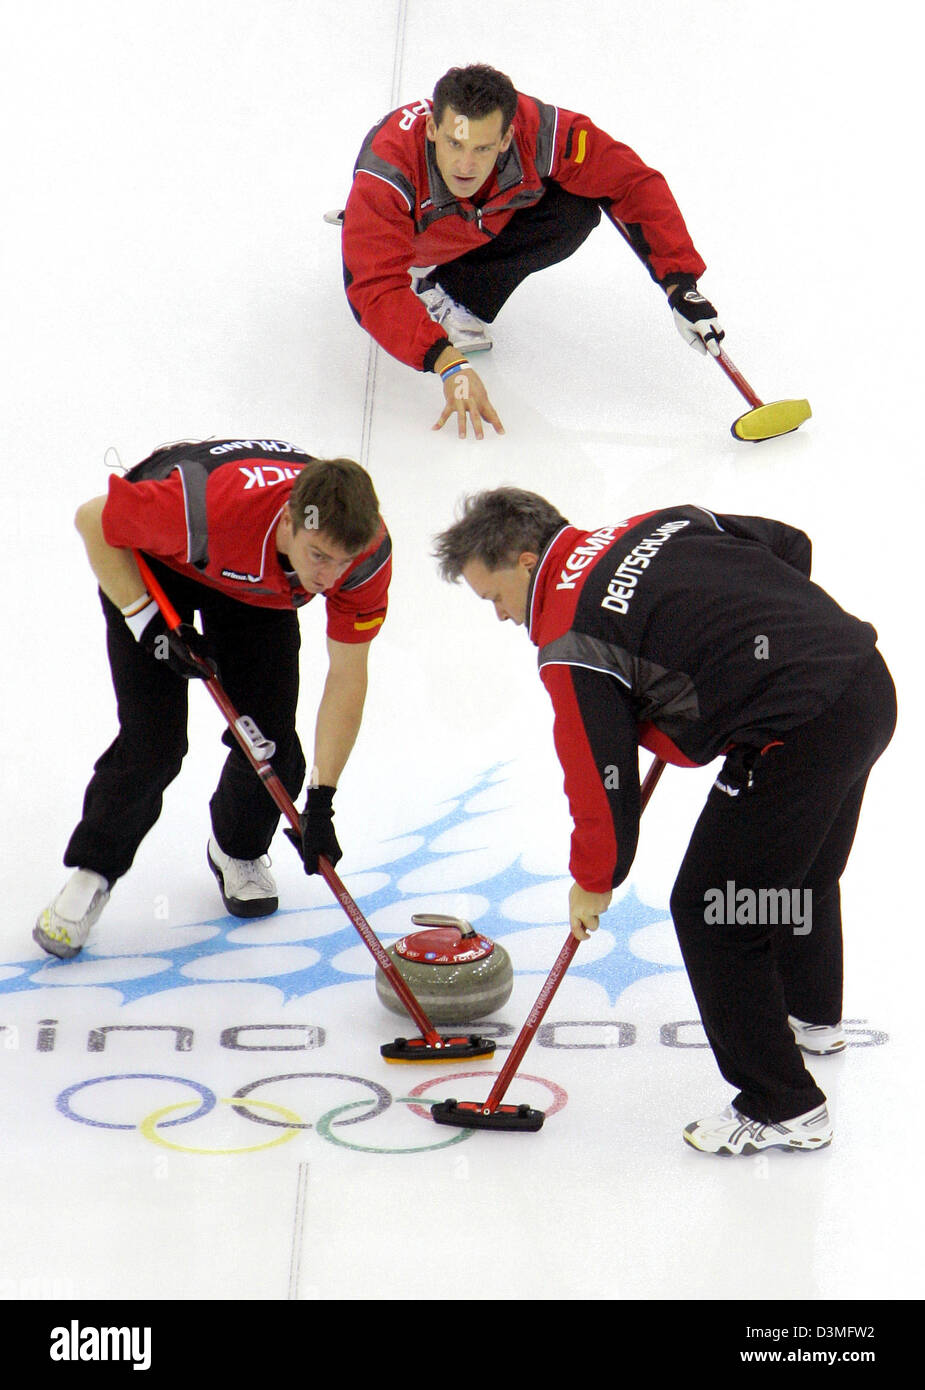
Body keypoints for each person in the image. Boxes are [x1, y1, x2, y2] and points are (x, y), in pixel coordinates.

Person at [433, 489, 896, 1155]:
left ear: (527, 562)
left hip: (796, 731)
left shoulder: (571, 635)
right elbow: (787, 545)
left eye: (494, 597)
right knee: (800, 866)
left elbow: (600, 775)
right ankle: (811, 1017)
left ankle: (781, 1105)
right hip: (863, 685)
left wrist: (594, 878)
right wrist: (759, 640)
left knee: (712, 911)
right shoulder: (661, 523)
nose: (501, 616)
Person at [34, 439, 391, 958]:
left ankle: (237, 850)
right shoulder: (200, 506)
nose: (331, 579)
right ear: (290, 520)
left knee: (270, 744)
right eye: (320, 557)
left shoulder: (363, 559)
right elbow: (92, 520)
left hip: (256, 584)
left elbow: (348, 675)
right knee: (154, 743)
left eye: (343, 562)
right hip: (158, 561)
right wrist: (150, 623)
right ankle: (92, 873)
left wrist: (323, 800)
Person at [340, 63, 722, 439]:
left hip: (486, 221)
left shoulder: (539, 131)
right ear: (432, 129)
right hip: (416, 236)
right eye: (454, 143)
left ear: (507, 137)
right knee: (377, 254)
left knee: (575, 209)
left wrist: (679, 283)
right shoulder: (386, 172)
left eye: (483, 147)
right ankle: (393, 249)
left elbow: (631, 182)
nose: (465, 164)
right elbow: (374, 287)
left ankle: (455, 293)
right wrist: (447, 361)